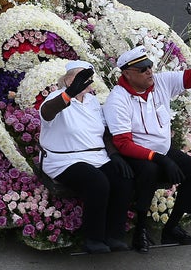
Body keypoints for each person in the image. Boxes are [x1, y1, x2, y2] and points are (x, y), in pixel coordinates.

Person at [104, 43, 191, 252]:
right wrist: (160, 158)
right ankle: (140, 231)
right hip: (135, 153)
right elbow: (123, 144)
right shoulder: (118, 99)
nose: (149, 72)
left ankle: (171, 228)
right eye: (142, 69)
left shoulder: (160, 83)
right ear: (127, 74)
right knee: (149, 172)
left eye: (149, 66)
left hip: (161, 151)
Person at [38, 61, 134, 254]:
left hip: (97, 156)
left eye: (87, 77)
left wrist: (114, 155)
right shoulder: (57, 98)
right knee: (97, 181)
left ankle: (114, 235)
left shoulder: (92, 102)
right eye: (78, 77)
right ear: (67, 80)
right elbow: (47, 113)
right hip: (64, 160)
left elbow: (104, 132)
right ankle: (93, 238)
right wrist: (70, 93)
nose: (84, 82)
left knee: (123, 178)